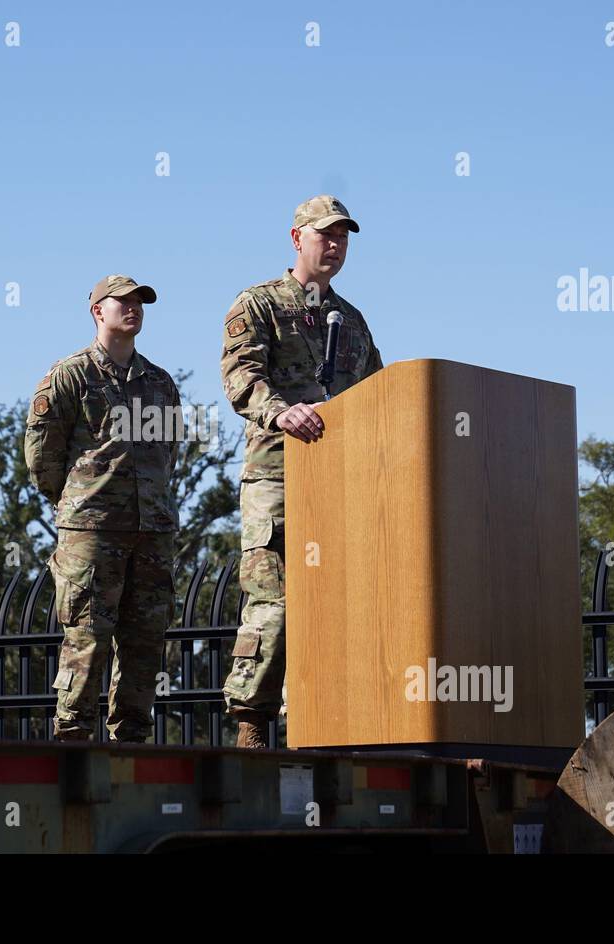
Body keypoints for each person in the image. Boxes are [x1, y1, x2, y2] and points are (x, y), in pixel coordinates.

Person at [219, 195, 384, 748]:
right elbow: (241, 374)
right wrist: (280, 410)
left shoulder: (353, 322)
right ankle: (253, 722)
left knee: (340, 598)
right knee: (277, 601)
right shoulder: (260, 304)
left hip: (342, 482)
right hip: (278, 476)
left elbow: (379, 394)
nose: (334, 245)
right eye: (325, 235)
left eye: (343, 237)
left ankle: (330, 720)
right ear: (297, 239)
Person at [24, 274, 181, 742]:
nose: (133, 309)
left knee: (146, 638)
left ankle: (132, 739)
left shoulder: (160, 382)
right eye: (123, 302)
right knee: (88, 634)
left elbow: (168, 452)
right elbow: (41, 452)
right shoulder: (70, 374)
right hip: (91, 528)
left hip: (151, 528)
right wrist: (75, 502)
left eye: (140, 303)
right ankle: (73, 738)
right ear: (98, 310)